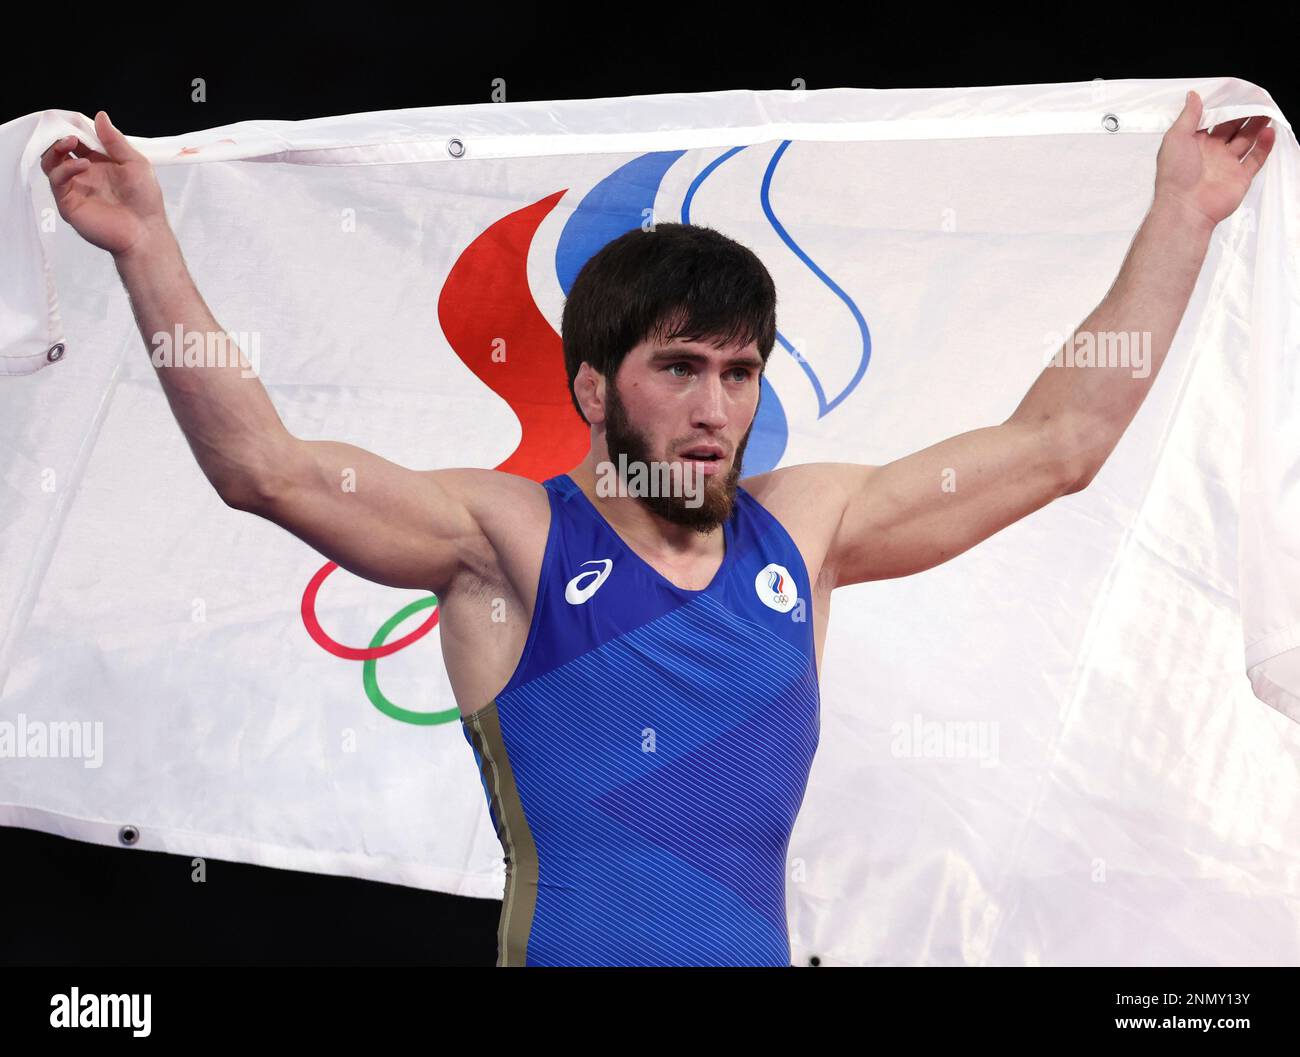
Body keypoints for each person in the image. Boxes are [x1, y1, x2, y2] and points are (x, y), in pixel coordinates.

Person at [41, 94, 1273, 966]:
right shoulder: (503, 538)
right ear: (589, 387)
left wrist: (1182, 216)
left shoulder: (810, 526)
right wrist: (146, 245)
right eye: (678, 367)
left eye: (738, 373)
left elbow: (1059, 445)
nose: (714, 406)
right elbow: (265, 467)